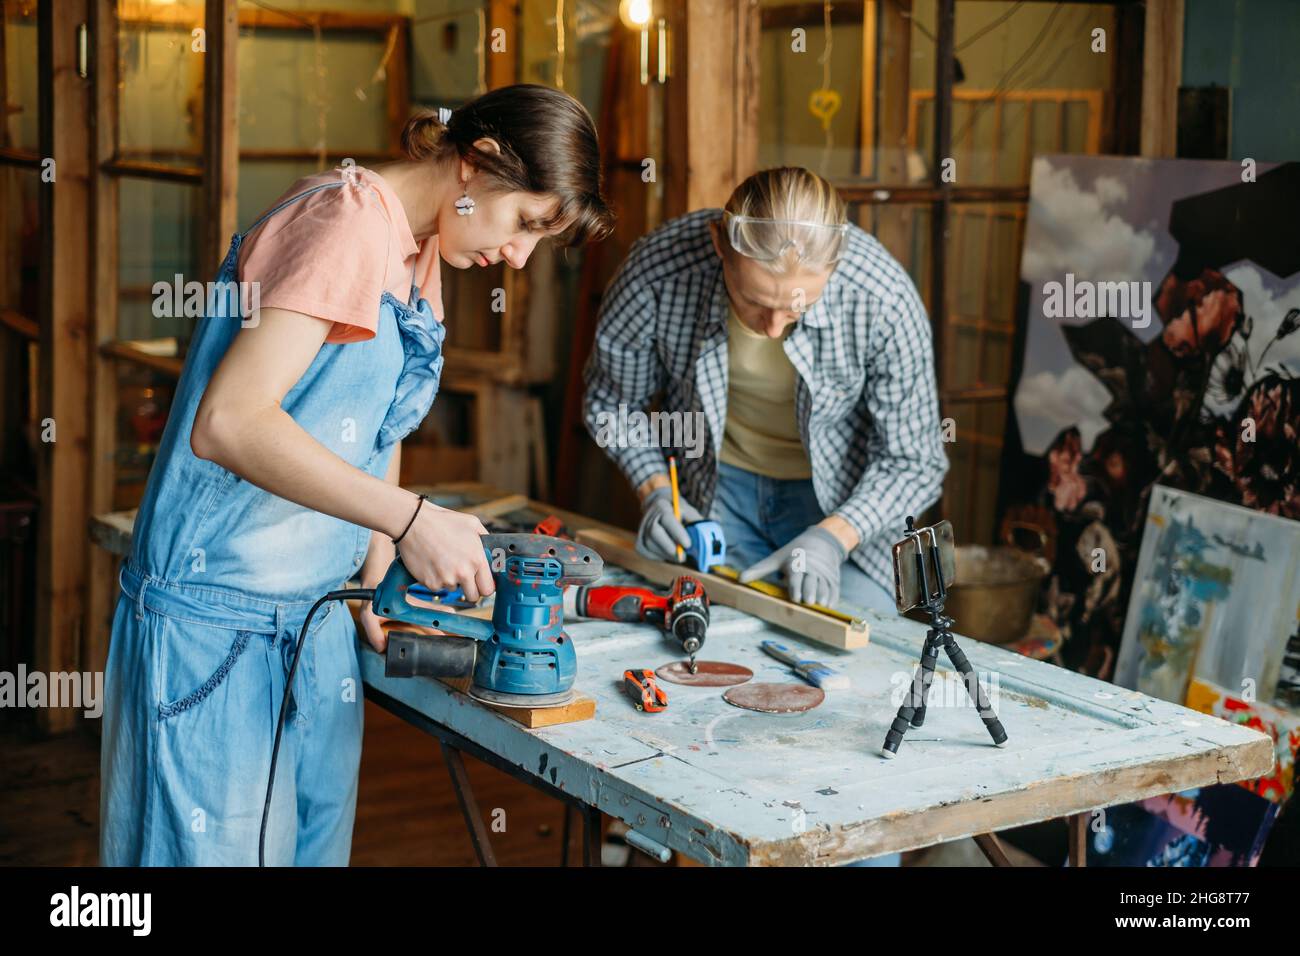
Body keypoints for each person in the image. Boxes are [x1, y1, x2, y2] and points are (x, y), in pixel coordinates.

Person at [100, 84, 613, 866]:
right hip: (217, 626)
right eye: (525, 224)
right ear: (476, 165)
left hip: (312, 623)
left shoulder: (418, 250)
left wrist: (378, 570)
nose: (519, 256)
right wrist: (411, 519)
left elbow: (380, 425)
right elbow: (230, 420)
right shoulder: (339, 221)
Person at [584, 166, 947, 619]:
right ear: (720, 243)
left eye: (798, 307)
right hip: (719, 493)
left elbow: (916, 460)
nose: (773, 327)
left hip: (848, 509)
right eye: (753, 301)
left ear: (834, 266)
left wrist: (833, 537)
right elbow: (612, 405)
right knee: (714, 642)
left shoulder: (882, 298)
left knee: (855, 647)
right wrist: (655, 490)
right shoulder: (658, 272)